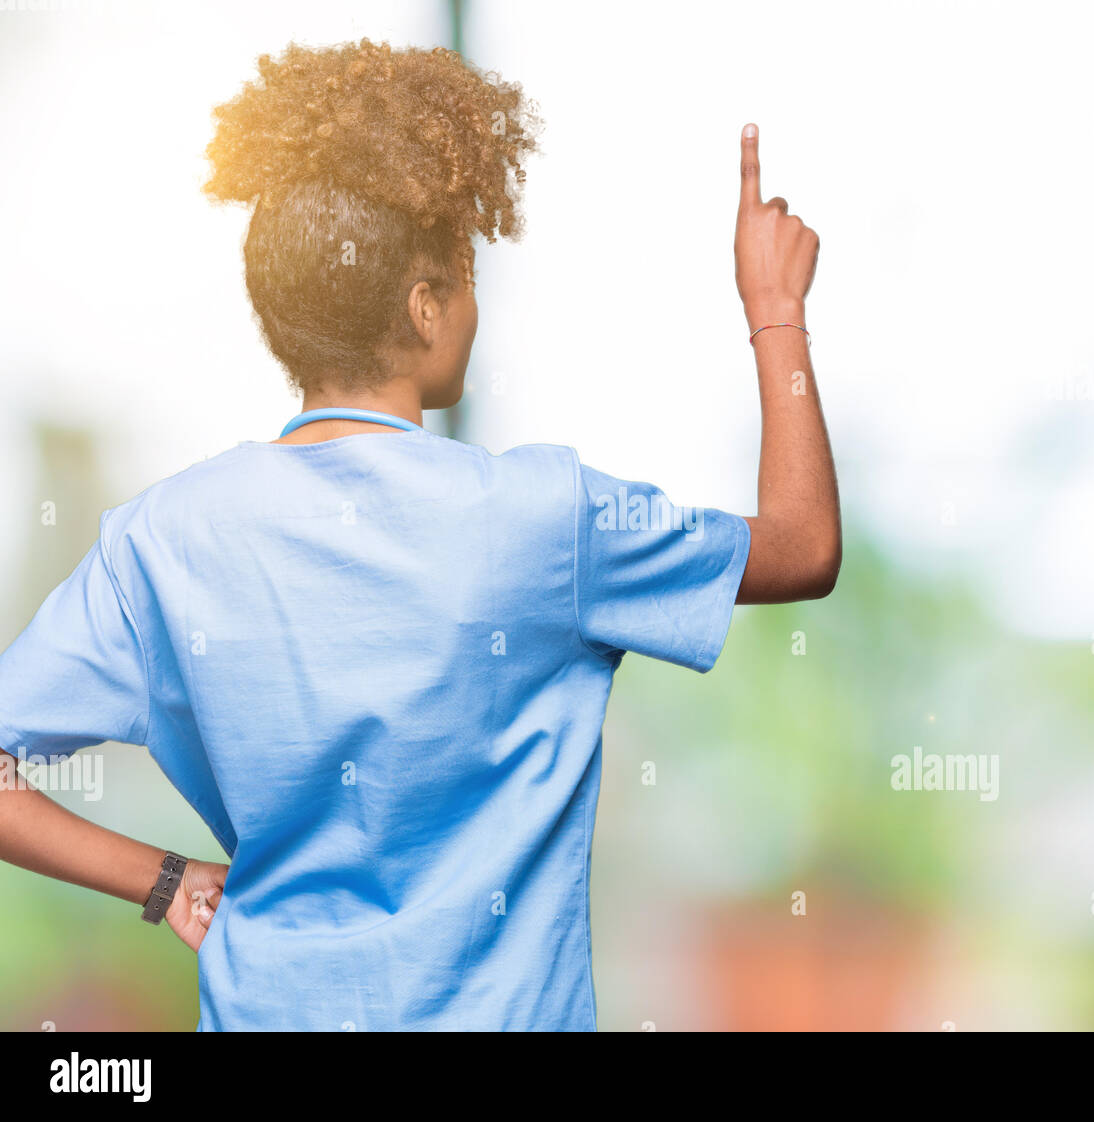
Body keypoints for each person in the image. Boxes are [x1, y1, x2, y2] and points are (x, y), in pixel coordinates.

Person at [0, 40, 839, 1030]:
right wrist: (775, 313)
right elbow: (800, 546)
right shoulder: (543, 518)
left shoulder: (166, 540)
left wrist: (167, 880)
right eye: (467, 274)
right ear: (425, 304)